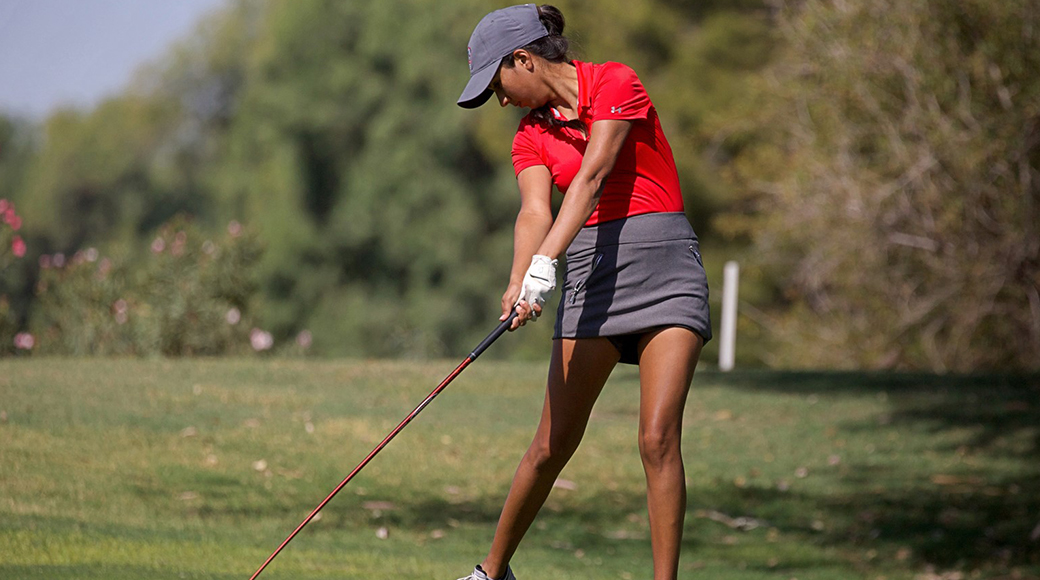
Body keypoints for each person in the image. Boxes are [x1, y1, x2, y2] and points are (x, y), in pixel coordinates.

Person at [455, 4, 712, 580]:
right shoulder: (531, 136)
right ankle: (491, 573)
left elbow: (593, 177)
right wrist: (522, 278)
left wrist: (548, 261)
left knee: (657, 438)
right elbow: (533, 211)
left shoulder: (616, 81)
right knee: (551, 444)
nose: (500, 99)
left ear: (524, 59)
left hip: (665, 270)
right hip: (593, 277)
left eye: (497, 83)